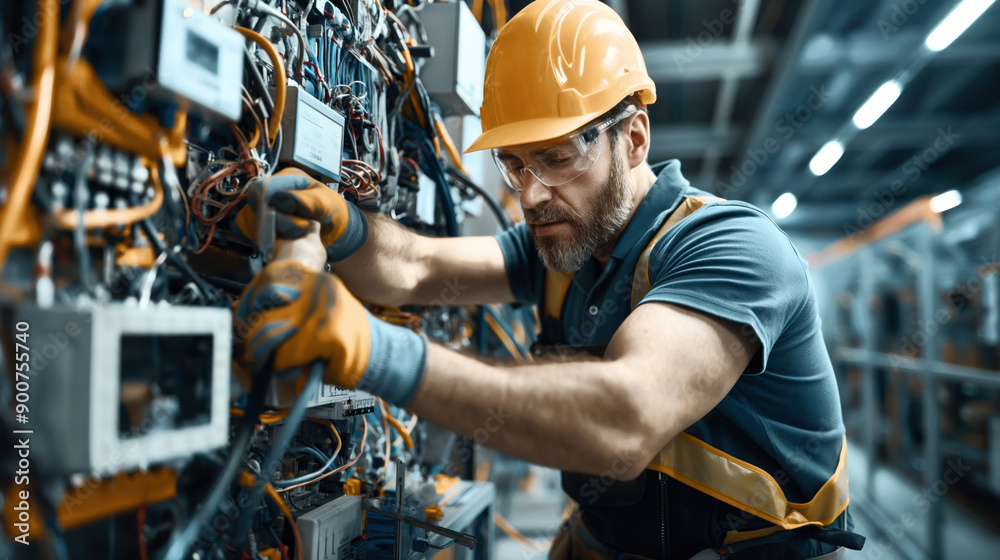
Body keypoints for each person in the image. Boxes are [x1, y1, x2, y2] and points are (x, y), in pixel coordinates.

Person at [232, 0, 866, 557]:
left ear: (635, 138)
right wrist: (345, 227)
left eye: (557, 158)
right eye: (514, 166)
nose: (531, 195)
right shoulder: (570, 246)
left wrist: (372, 350)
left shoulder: (735, 249)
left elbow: (626, 418)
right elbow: (417, 267)